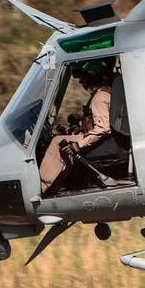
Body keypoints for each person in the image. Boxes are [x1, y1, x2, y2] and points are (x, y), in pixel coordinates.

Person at [39, 59, 113, 194]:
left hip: (103, 143)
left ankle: (43, 186)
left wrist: (78, 145)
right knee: (62, 138)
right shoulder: (104, 92)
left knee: (57, 142)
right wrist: (78, 128)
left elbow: (103, 128)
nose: (80, 81)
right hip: (103, 141)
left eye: (82, 77)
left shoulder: (99, 97)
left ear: (91, 75)